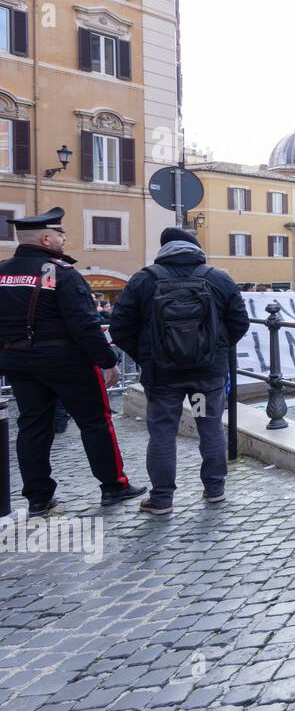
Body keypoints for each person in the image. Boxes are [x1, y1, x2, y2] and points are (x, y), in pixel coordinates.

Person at [0, 208, 142, 516]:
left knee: (32, 426)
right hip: (65, 360)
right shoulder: (60, 273)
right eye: (61, 234)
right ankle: (113, 485)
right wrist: (108, 361)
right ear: (46, 238)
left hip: (17, 359)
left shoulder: (2, 272)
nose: (65, 239)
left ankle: (38, 498)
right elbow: (84, 324)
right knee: (95, 422)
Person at [110, 227, 250, 515]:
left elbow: (120, 328)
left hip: (164, 378)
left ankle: (161, 499)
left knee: (162, 432)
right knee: (208, 425)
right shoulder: (218, 278)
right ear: (195, 249)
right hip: (205, 376)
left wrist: (147, 357)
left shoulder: (143, 280)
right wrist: (216, 351)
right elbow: (239, 323)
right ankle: (214, 489)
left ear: (164, 250)